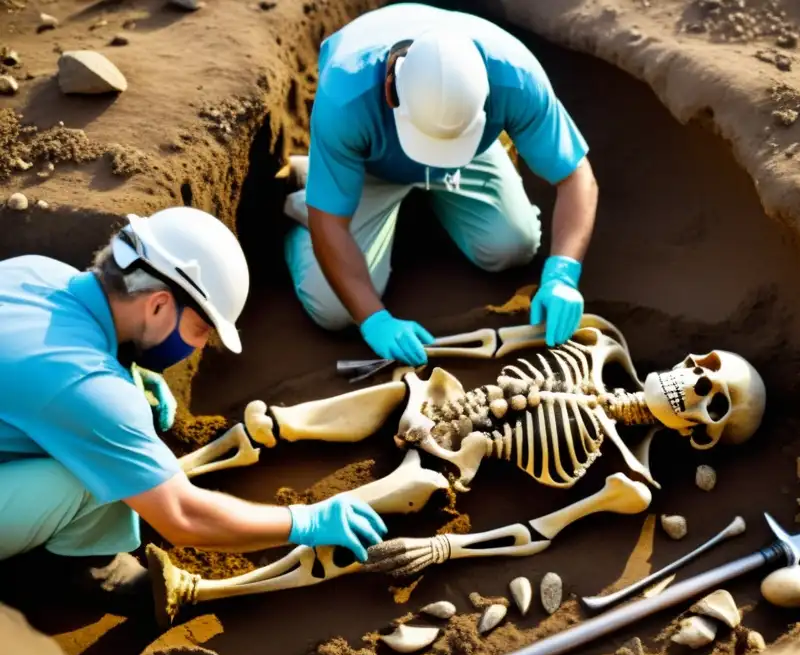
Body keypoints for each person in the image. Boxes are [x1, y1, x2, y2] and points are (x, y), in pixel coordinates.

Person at [0, 206, 386, 594]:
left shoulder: (36, 271)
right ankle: (92, 569)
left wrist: (124, 367)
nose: (200, 345)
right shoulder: (91, 390)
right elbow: (183, 517)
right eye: (201, 329)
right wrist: (305, 522)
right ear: (157, 305)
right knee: (95, 474)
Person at [287, 2, 598, 367]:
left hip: (467, 158)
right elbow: (331, 222)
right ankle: (306, 199)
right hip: (371, 167)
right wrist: (374, 319)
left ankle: (429, 196)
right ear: (391, 93)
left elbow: (577, 176)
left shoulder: (514, 76)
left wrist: (563, 273)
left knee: (513, 246)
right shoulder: (345, 98)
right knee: (335, 308)